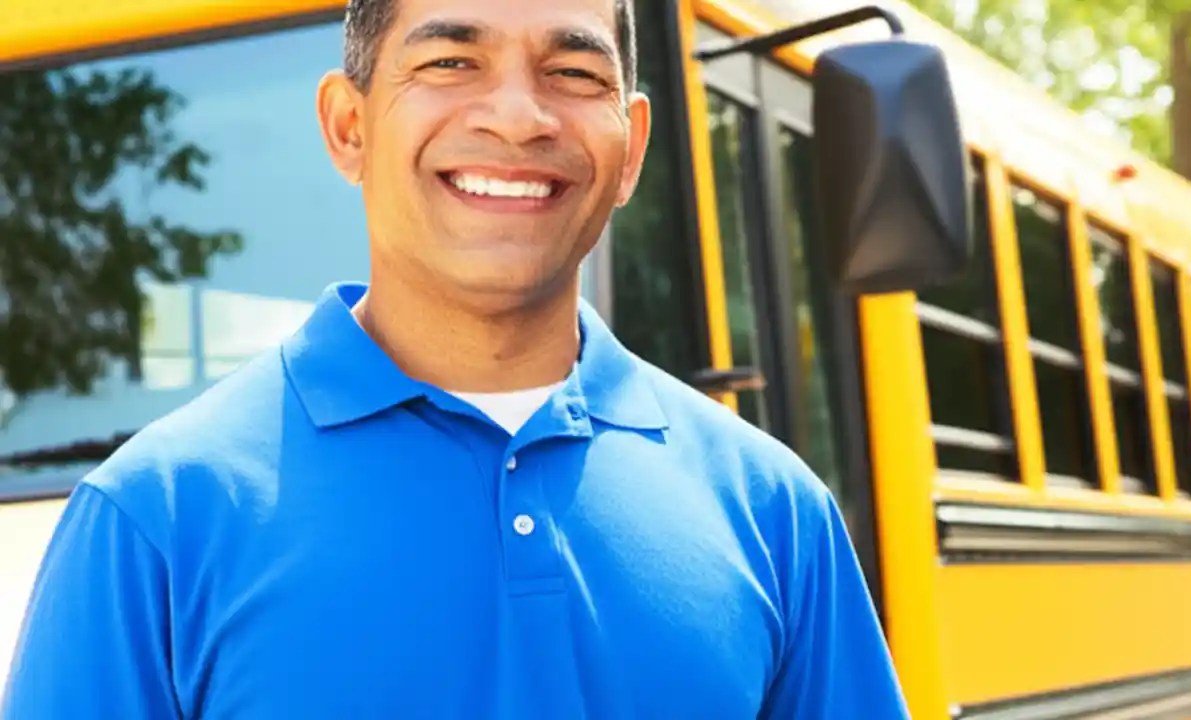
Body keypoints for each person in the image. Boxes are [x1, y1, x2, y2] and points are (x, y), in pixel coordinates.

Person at [1, 0, 907, 716]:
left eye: (572, 70)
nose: (517, 115)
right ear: (348, 126)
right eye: (449, 61)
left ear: (630, 148)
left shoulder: (775, 511)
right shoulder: (151, 520)